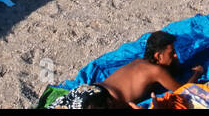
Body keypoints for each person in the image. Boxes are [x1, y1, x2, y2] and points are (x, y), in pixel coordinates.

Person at [51, 31, 199, 109]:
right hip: (103, 101)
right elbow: (183, 90)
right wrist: (197, 73)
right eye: (171, 53)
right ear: (158, 55)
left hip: (88, 90)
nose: (175, 55)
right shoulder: (157, 71)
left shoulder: (139, 61)